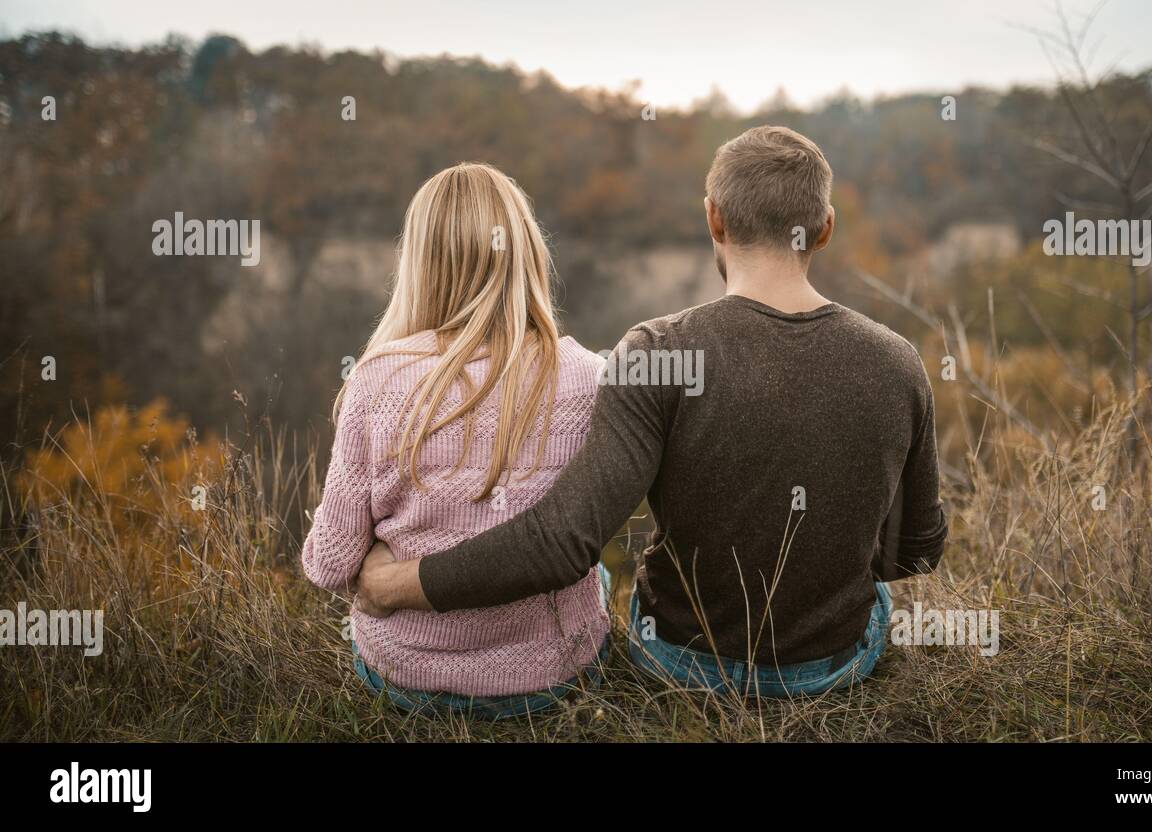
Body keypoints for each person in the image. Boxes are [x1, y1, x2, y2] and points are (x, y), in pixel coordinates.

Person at [355, 126, 948, 697]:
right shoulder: (897, 362)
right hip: (832, 664)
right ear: (824, 229)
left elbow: (564, 542)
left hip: (681, 660)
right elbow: (915, 552)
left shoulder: (658, 355)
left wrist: (394, 583)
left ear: (713, 216)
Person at [301, 163, 609, 718]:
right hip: (550, 675)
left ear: (418, 262)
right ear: (526, 252)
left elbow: (329, 563)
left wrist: (385, 550)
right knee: (601, 575)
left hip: (406, 673)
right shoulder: (588, 376)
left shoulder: (379, 379)